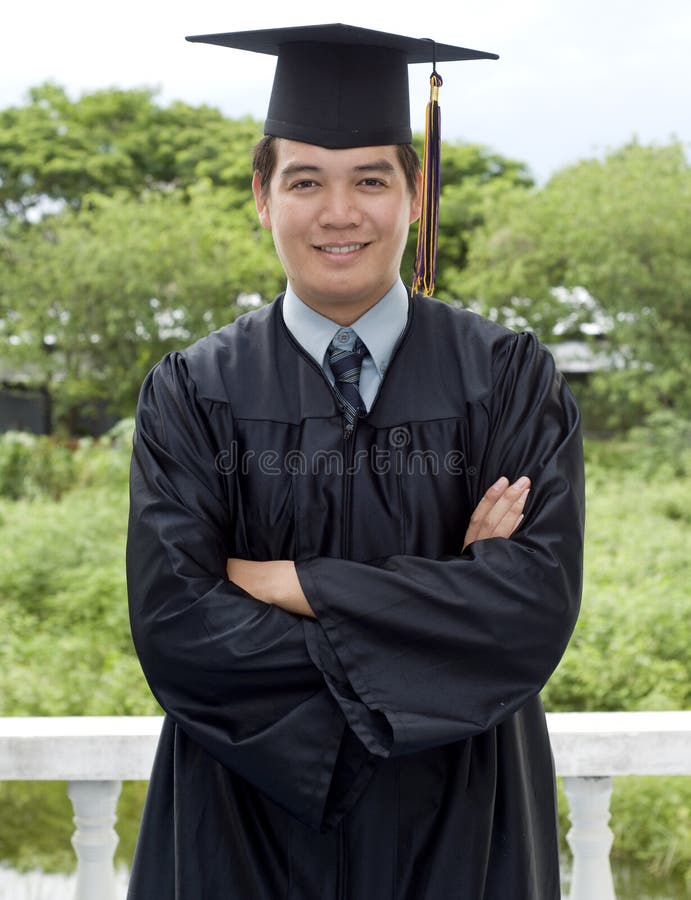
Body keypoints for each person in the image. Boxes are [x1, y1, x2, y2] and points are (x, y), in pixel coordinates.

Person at [126, 23, 584, 900]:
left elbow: (528, 611)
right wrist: (445, 606)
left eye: (370, 178)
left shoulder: (509, 379)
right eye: (305, 181)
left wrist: (297, 584)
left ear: (414, 192)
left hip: (463, 818)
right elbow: (179, 633)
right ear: (261, 197)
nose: (339, 212)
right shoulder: (190, 393)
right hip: (242, 819)